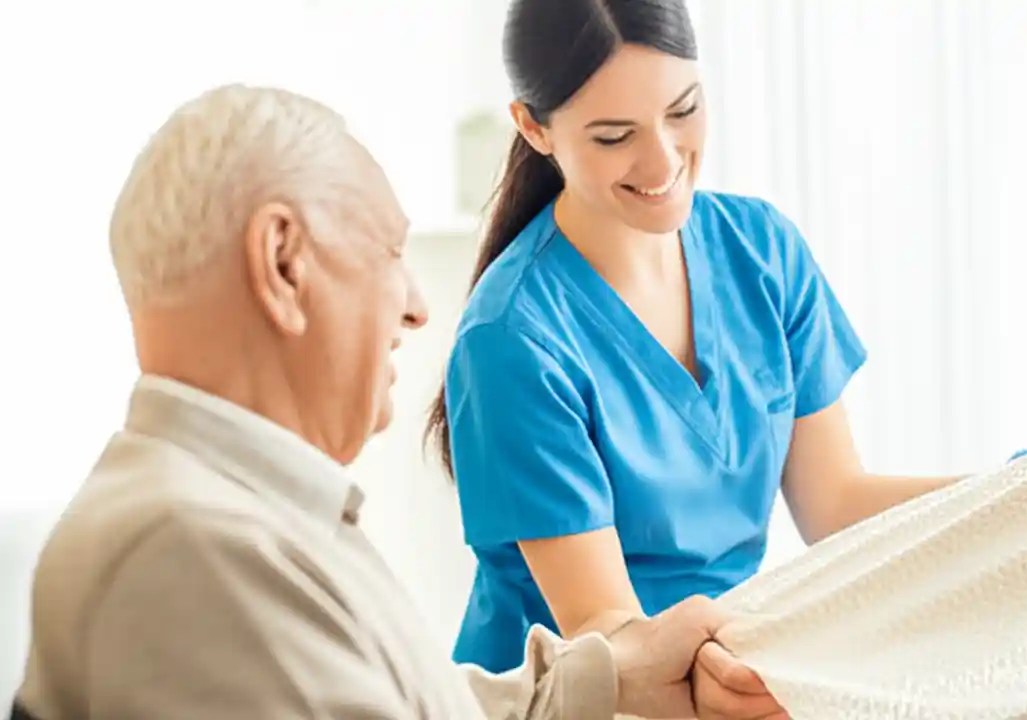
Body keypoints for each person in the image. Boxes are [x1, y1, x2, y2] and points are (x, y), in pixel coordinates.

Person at [14, 83, 784, 720]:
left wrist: (605, 675)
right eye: (388, 253)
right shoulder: (190, 551)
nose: (417, 306)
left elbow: (407, 701)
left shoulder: (223, 518)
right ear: (282, 263)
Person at [426, 0, 968, 675]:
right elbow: (605, 631)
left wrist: (1025, 491)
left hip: (721, 663)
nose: (662, 162)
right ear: (534, 129)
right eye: (614, 135)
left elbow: (835, 503)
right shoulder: (512, 340)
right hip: (588, 693)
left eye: (682, 111)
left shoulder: (761, 250)